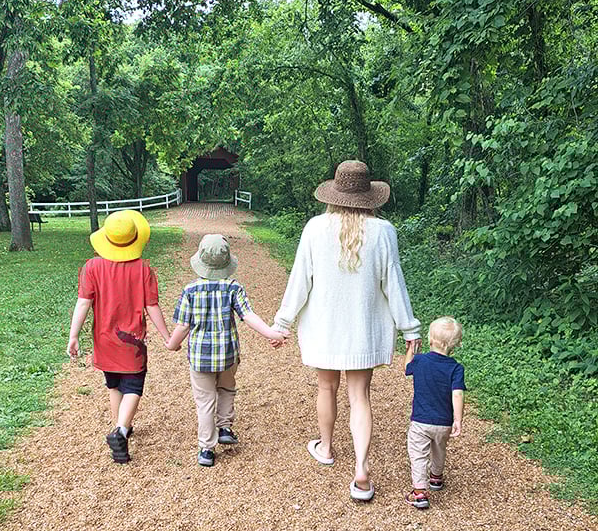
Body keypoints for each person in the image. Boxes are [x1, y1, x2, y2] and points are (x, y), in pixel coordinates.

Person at [272, 159, 421, 502]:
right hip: (363, 329)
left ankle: (325, 448)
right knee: (360, 397)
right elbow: (393, 284)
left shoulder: (314, 228)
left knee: (326, 386)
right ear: (370, 196)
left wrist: (282, 324)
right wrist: (409, 328)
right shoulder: (384, 232)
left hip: (325, 328)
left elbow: (300, 281)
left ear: (334, 193)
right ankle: (361, 471)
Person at [166, 233, 287, 467]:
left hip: (200, 357)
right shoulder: (233, 288)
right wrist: (271, 333)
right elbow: (248, 316)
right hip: (228, 353)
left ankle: (206, 449)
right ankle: (225, 427)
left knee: (204, 400)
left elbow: (183, 326)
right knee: (227, 388)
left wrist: (172, 344)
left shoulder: (189, 290)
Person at [66, 209, 171, 464]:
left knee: (113, 384)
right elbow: (152, 306)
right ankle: (121, 430)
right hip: (132, 341)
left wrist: (74, 336)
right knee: (133, 385)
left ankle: (119, 427)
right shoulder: (143, 269)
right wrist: (167, 336)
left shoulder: (92, 266)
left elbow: (83, 303)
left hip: (104, 339)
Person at [404, 317, 465, 509]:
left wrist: (411, 350)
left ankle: (419, 493)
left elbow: (407, 368)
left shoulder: (420, 361)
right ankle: (436, 478)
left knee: (418, 454)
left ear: (430, 338)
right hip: (443, 421)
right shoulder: (456, 368)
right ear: (456, 345)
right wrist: (458, 419)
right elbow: (457, 394)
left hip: (421, 421)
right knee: (439, 449)